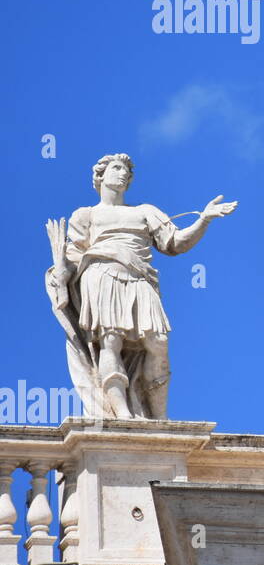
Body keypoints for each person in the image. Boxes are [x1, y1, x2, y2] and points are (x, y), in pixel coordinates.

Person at [47, 153, 236, 418]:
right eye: (116, 168)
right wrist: (60, 271)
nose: (123, 174)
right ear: (100, 176)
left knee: (158, 342)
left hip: (140, 279)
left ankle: (159, 417)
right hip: (101, 275)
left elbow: (176, 243)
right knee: (110, 341)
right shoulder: (86, 215)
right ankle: (122, 414)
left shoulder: (144, 212)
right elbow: (73, 260)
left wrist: (203, 219)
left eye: (126, 171)